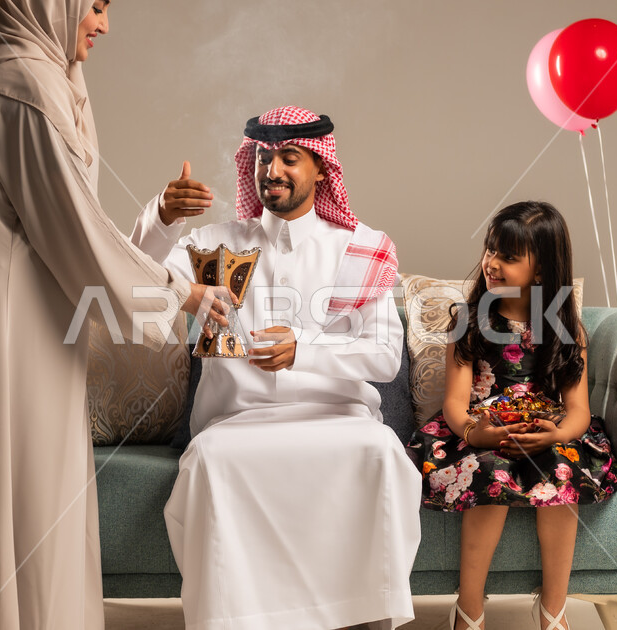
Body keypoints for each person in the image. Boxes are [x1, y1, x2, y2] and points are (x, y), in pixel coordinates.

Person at [0, 1, 226, 628]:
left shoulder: (10, 72)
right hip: (3, 325)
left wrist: (159, 223)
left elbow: (65, 229)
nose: (103, 23)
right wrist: (183, 293)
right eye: (94, 4)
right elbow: (77, 237)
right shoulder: (23, 85)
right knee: (9, 487)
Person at [130, 106, 421, 630]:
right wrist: (161, 218)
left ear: (321, 171)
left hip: (340, 422)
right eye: (265, 157)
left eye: (290, 157)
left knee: (380, 450)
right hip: (236, 424)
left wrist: (302, 351)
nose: (273, 170)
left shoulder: (359, 248)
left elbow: (384, 356)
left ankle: (362, 618)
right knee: (211, 461)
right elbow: (133, 289)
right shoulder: (211, 245)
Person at [406, 202, 617, 630]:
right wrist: (475, 432)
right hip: (479, 430)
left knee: (563, 471)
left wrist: (556, 435)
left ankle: (553, 610)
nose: (492, 262)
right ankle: (469, 608)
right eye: (490, 250)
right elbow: (454, 401)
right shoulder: (468, 322)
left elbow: (579, 410)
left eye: (508, 256)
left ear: (540, 270)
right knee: (491, 471)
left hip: (548, 428)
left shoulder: (566, 331)